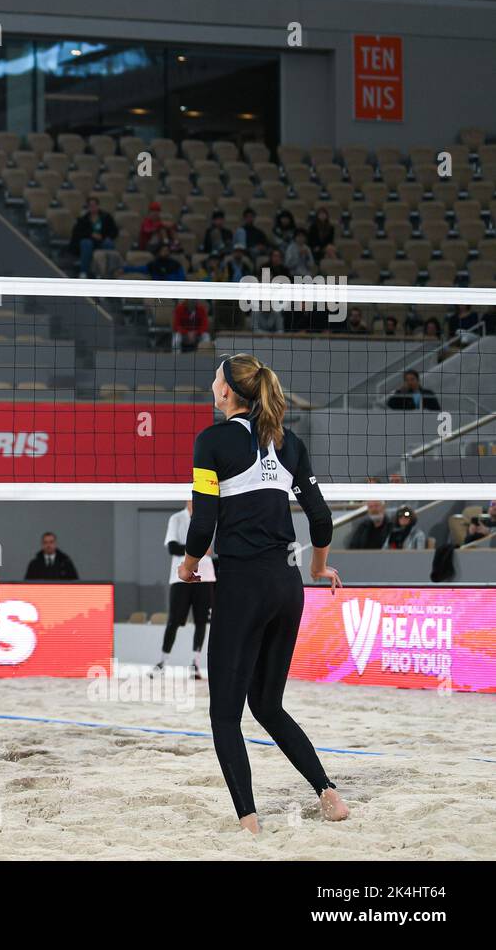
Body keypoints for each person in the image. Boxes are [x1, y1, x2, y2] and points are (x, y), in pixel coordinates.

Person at [180, 353, 348, 833]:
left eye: (215, 377)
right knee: (268, 704)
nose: (211, 384)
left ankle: (250, 822)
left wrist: (189, 567)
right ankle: (327, 792)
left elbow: (203, 524)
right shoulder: (288, 442)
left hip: (243, 587)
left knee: (224, 715)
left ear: (227, 391)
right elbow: (320, 517)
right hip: (286, 585)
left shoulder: (211, 442)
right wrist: (318, 567)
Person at [152, 497, 214, 679]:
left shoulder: (209, 517)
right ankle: (162, 661)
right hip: (180, 576)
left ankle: (195, 663)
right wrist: (198, 550)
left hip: (204, 576)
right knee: (174, 621)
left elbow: (211, 550)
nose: (194, 501)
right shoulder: (177, 519)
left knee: (202, 621)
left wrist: (192, 550)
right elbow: (172, 547)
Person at [67, 196, 118, 278]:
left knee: (108, 243)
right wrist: (91, 234)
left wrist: (104, 236)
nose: (93, 207)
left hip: (102, 241)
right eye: (90, 206)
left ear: (98, 206)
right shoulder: (83, 219)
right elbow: (77, 234)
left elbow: (114, 231)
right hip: (89, 242)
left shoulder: (106, 217)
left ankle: (106, 272)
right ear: (88, 207)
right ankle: (84, 272)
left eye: (94, 205)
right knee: (86, 243)